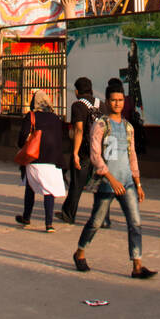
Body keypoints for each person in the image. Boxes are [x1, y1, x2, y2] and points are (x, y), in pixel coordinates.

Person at [72, 87, 156, 278]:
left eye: (120, 100)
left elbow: (132, 155)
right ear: (107, 102)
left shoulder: (128, 127)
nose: (117, 103)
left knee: (135, 223)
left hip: (127, 182)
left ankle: (137, 265)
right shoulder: (100, 125)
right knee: (96, 221)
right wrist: (111, 179)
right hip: (107, 183)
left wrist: (138, 182)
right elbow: (95, 156)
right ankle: (80, 253)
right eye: (113, 100)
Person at [14, 93, 66, 231]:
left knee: (30, 185)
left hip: (34, 156)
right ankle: (49, 224)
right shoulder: (56, 118)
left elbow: (23, 136)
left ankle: (26, 217)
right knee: (49, 190)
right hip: (52, 158)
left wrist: (21, 147)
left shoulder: (31, 116)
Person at [60, 77, 98, 225]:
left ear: (77, 90)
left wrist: (75, 153)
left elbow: (79, 129)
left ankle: (69, 214)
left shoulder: (78, 105)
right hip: (100, 150)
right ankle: (102, 217)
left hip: (83, 151)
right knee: (100, 184)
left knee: (77, 182)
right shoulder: (100, 104)